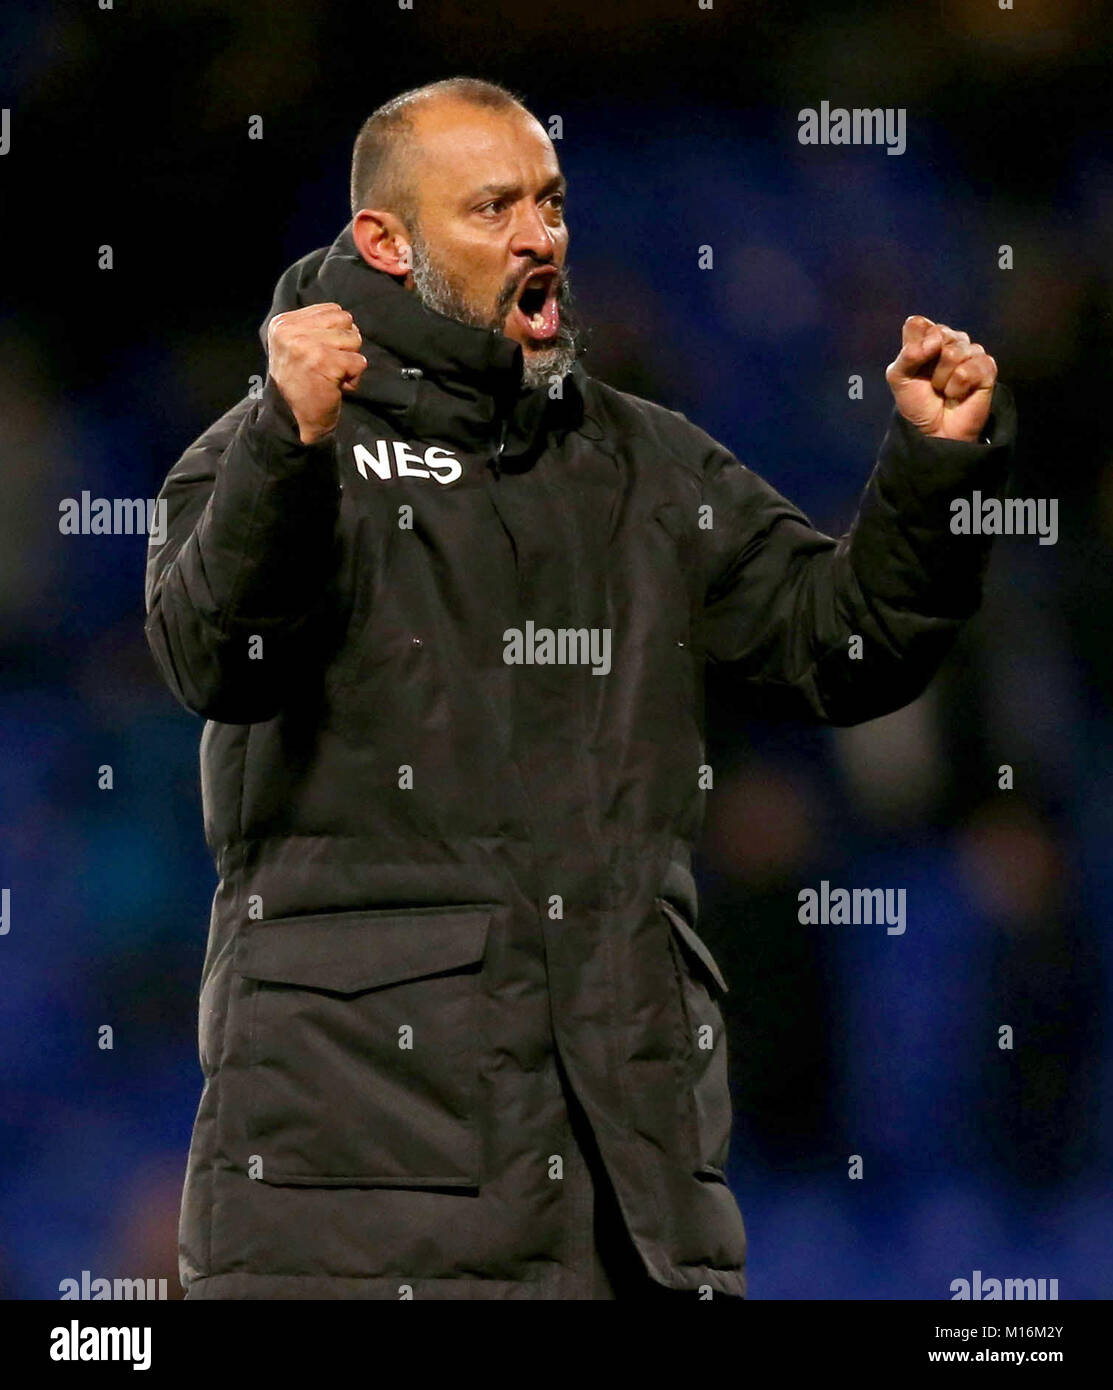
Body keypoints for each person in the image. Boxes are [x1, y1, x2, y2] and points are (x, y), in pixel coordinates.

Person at [145, 77, 1016, 1300]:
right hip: (346, 1214)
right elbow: (212, 659)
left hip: (625, 1208)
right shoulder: (281, 452)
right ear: (387, 245)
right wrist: (282, 451)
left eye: (548, 201)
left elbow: (847, 643)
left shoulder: (641, 465)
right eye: (492, 207)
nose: (539, 235)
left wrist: (929, 471)